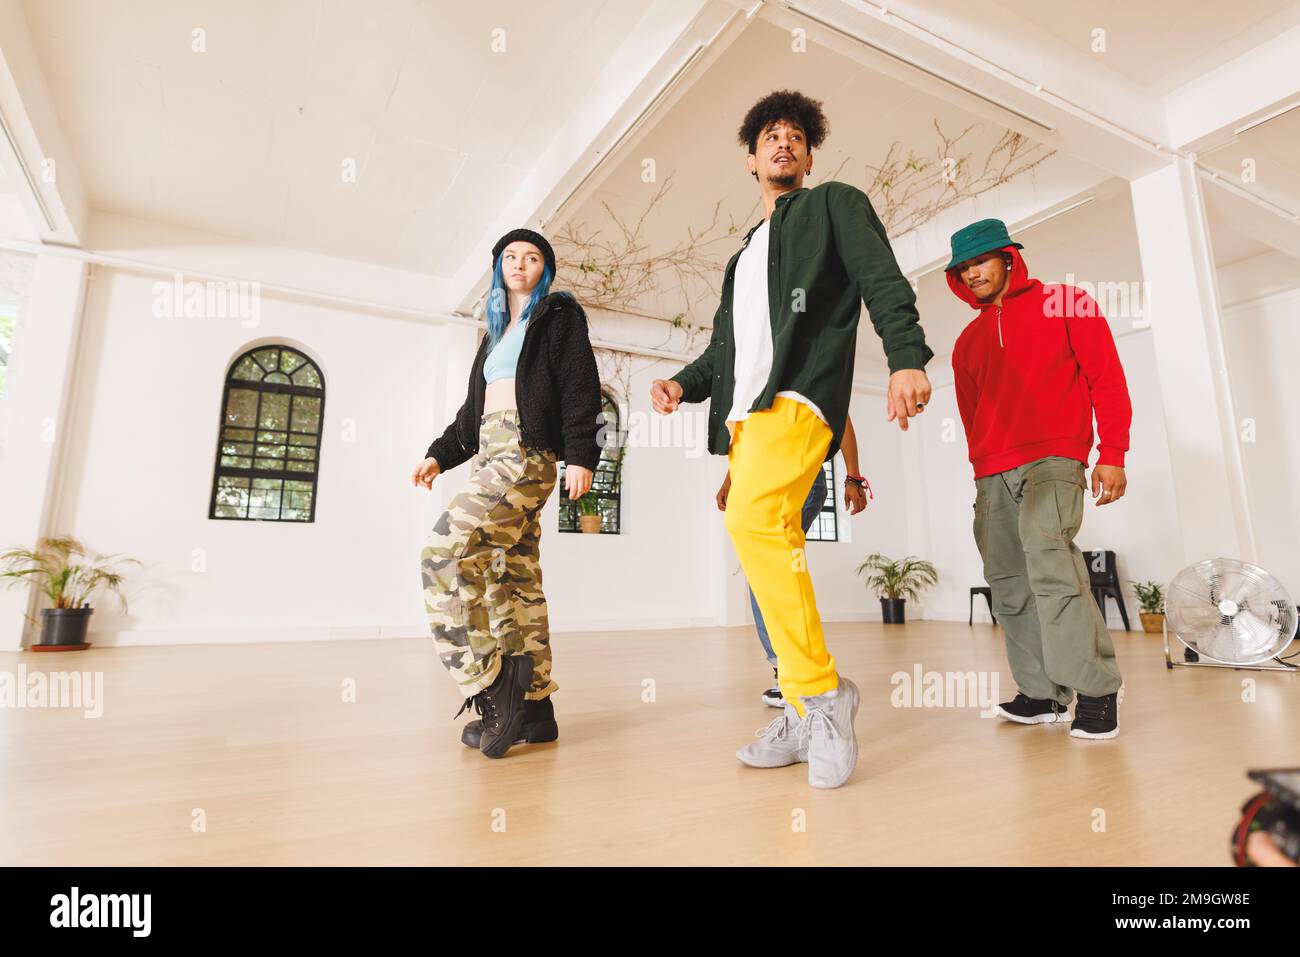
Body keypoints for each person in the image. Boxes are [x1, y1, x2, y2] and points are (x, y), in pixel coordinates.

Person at [651, 90, 933, 788]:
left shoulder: (834, 204)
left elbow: (881, 279)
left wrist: (906, 356)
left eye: (796, 137)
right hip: (748, 415)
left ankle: (822, 694)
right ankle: (810, 705)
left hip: (802, 392)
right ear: (750, 159)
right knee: (761, 538)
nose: (784, 144)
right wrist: (684, 386)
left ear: (807, 157)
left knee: (755, 524)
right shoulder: (744, 256)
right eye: (770, 136)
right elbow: (728, 348)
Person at [414, 228, 602, 758]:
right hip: (491, 452)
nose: (520, 264)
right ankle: (536, 708)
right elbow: (471, 417)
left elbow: (580, 385)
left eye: (533, 257)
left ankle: (494, 688)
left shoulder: (557, 317)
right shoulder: (494, 332)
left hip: (526, 453)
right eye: (511, 257)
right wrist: (438, 454)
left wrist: (581, 454)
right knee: (512, 575)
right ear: (498, 266)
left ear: (546, 268)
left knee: (442, 554)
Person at [946, 218, 1131, 740]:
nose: (972, 273)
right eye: (963, 268)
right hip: (991, 473)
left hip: (1053, 458)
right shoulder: (966, 341)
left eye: (980, 261)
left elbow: (1107, 378)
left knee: (1052, 569)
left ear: (1008, 256)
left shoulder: (1065, 302)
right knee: (1007, 582)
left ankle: (1096, 691)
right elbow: (970, 413)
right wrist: (982, 467)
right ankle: (1043, 694)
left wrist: (1112, 452)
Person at [715, 414, 871, 707]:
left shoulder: (803, 372)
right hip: (759, 479)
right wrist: (731, 479)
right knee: (761, 569)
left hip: (802, 479)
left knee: (773, 568)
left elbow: (842, 417)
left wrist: (853, 477)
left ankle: (800, 675)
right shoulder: (754, 381)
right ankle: (786, 670)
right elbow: (745, 437)